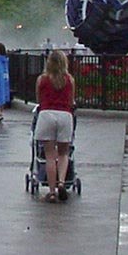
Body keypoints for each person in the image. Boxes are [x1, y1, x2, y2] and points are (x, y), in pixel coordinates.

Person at [35, 49, 75, 202]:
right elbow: (71, 101)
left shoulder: (42, 79)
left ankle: (51, 192)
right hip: (64, 116)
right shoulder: (69, 79)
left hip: (46, 115)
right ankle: (62, 183)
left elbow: (39, 99)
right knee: (63, 154)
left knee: (49, 156)